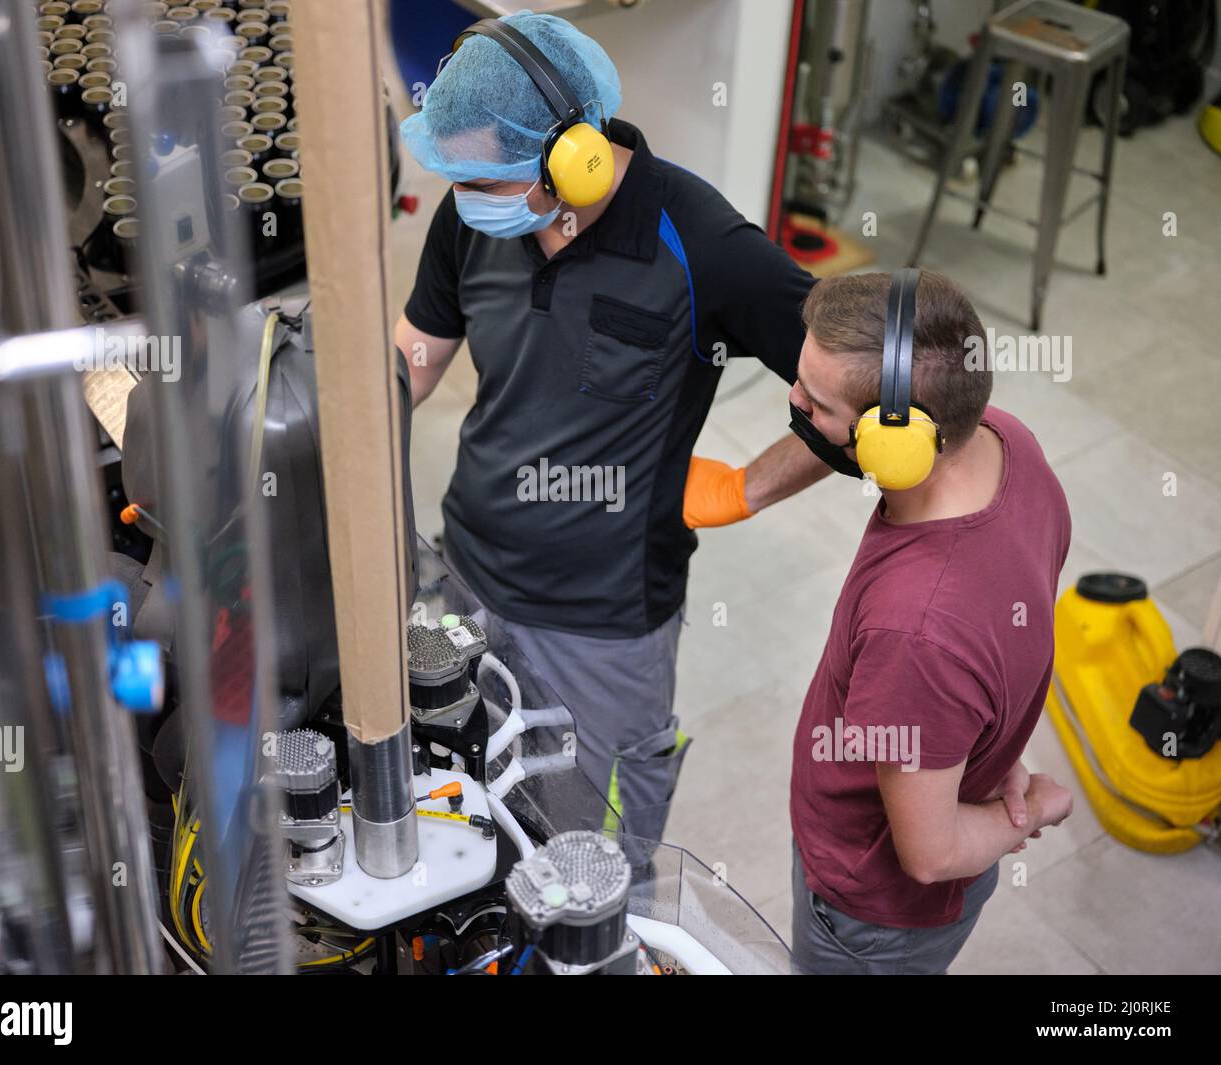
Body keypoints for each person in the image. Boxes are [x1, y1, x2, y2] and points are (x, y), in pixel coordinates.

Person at [397, 12, 826, 852]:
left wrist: (748, 485)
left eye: (484, 182)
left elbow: (865, 391)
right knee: (466, 813)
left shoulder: (703, 246)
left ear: (573, 163)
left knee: (589, 860)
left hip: (601, 630)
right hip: (466, 576)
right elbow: (418, 354)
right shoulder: (477, 212)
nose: (465, 200)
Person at [786, 270, 1074, 974]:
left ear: (899, 441)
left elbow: (932, 852)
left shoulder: (914, 629)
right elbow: (1005, 637)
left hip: (868, 918)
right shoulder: (1011, 446)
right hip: (936, 773)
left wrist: (1030, 807)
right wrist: (988, 757)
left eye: (816, 403)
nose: (792, 402)